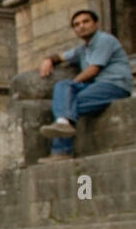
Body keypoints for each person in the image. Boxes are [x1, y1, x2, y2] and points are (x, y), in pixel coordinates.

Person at [39, 9, 132, 160]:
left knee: (68, 104)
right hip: (95, 87)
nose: (81, 26)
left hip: (114, 85)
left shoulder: (104, 40)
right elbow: (61, 56)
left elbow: (93, 69)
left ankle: (61, 150)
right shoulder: (82, 50)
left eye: (86, 21)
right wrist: (48, 59)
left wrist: (73, 86)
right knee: (63, 86)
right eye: (76, 24)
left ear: (96, 24)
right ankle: (62, 123)